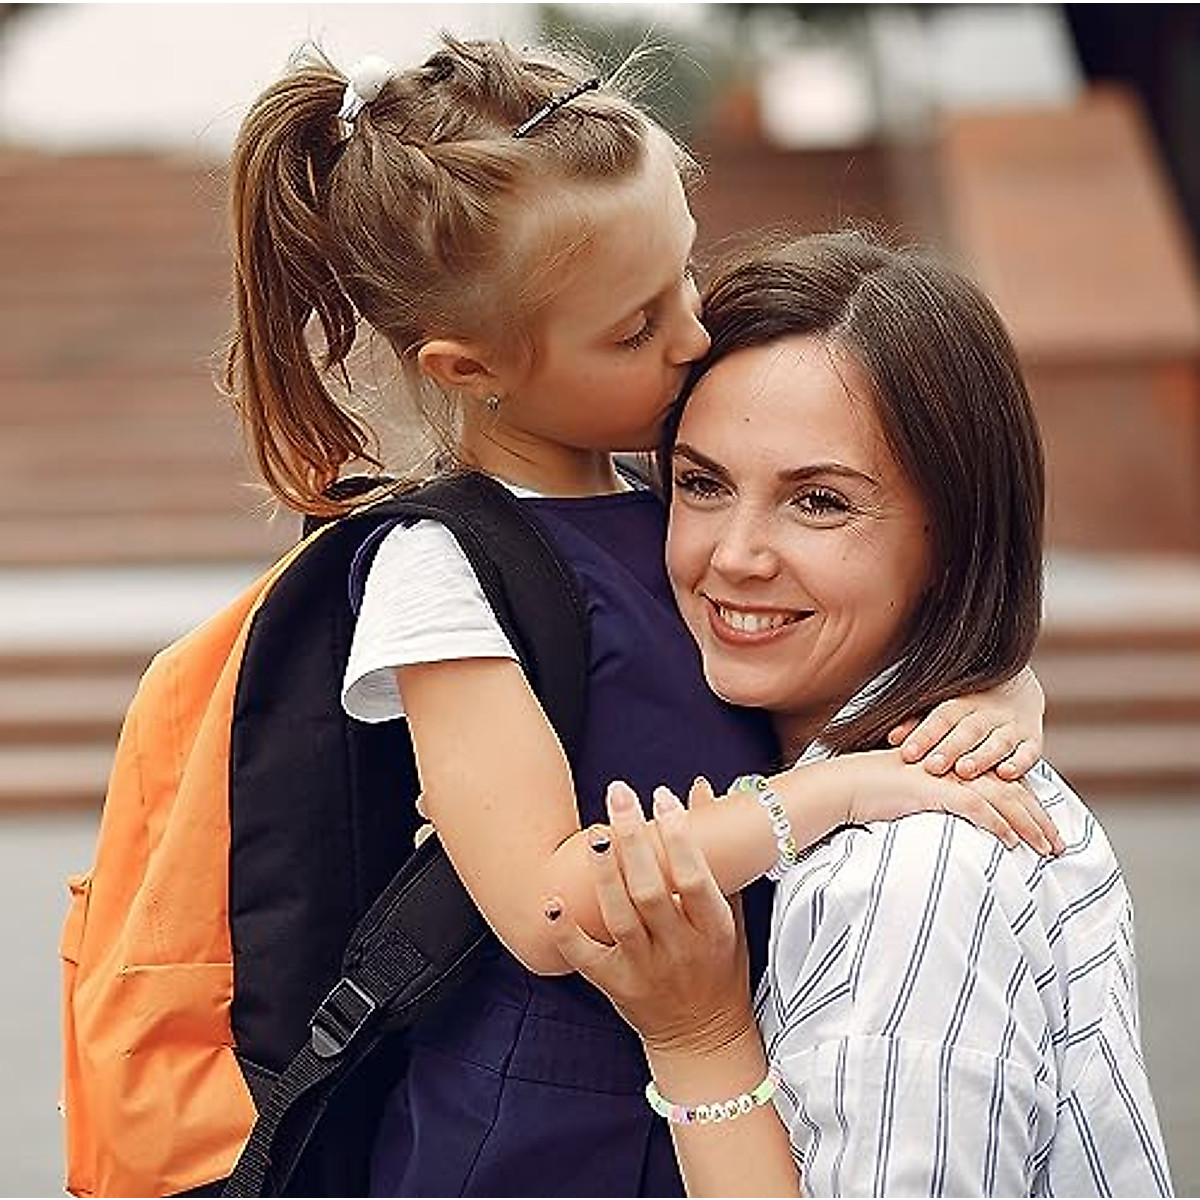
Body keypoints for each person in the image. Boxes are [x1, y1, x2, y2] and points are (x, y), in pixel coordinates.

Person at [224, 36, 1055, 1198]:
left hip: (708, 1085)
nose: (693, 337)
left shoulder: (667, 491)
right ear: (468, 368)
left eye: (686, 275)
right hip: (536, 1138)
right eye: (632, 328)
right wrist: (837, 795)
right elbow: (551, 901)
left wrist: (992, 683)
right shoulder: (439, 569)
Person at [546, 229, 1174, 1197]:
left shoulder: (911, 875)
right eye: (703, 484)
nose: (734, 556)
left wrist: (698, 1036)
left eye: (820, 503)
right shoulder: (799, 767)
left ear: (955, 535)